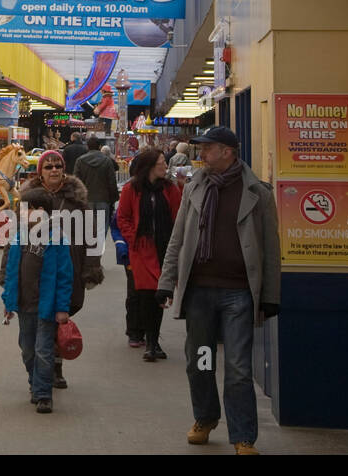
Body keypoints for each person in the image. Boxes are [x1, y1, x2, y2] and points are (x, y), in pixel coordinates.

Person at [157, 126, 281, 455]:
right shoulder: (195, 187)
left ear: (228, 151)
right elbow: (178, 238)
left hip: (239, 293)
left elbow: (270, 248)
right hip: (199, 292)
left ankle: (243, 436)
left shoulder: (258, 193)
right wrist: (166, 281)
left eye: (208, 148)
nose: (202, 154)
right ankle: (205, 417)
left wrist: (271, 295)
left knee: (238, 367)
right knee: (201, 361)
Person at [0, 149, 100, 391]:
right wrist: (5, 272)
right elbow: (13, 238)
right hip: (32, 274)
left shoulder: (76, 199)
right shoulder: (29, 200)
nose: (54, 169)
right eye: (48, 166)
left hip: (67, 267)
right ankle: (48, 372)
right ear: (40, 173)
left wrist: (91, 267)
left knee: (58, 316)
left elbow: (91, 235)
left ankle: (54, 365)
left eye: (58, 166)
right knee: (41, 327)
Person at [3, 190, 72, 413]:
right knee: (27, 349)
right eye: (25, 209)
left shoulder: (57, 238)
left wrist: (62, 308)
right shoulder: (19, 237)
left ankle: (43, 393)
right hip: (24, 305)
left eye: (31, 208)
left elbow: (64, 276)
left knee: (43, 350)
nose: (26, 213)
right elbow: (12, 271)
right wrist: (8, 300)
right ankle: (35, 383)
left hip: (47, 306)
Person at [117, 148, 182, 361]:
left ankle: (153, 342)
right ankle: (150, 342)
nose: (165, 165)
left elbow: (179, 217)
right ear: (150, 166)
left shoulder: (171, 190)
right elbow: (123, 217)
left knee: (160, 294)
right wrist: (132, 238)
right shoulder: (131, 189)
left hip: (165, 249)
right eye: (162, 162)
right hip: (142, 249)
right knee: (145, 295)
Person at [73, 134, 119, 237]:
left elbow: (76, 182)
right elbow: (112, 182)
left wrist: (77, 199)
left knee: (87, 229)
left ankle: (90, 249)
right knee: (102, 229)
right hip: (103, 200)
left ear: (87, 147)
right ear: (99, 147)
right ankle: (99, 249)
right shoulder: (107, 161)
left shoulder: (80, 161)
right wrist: (114, 198)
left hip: (86, 201)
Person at [111, 202, 142, 347]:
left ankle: (150, 333)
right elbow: (116, 225)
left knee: (152, 295)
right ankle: (134, 332)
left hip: (154, 254)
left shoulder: (162, 191)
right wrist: (121, 247)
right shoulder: (130, 194)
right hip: (131, 254)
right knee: (134, 293)